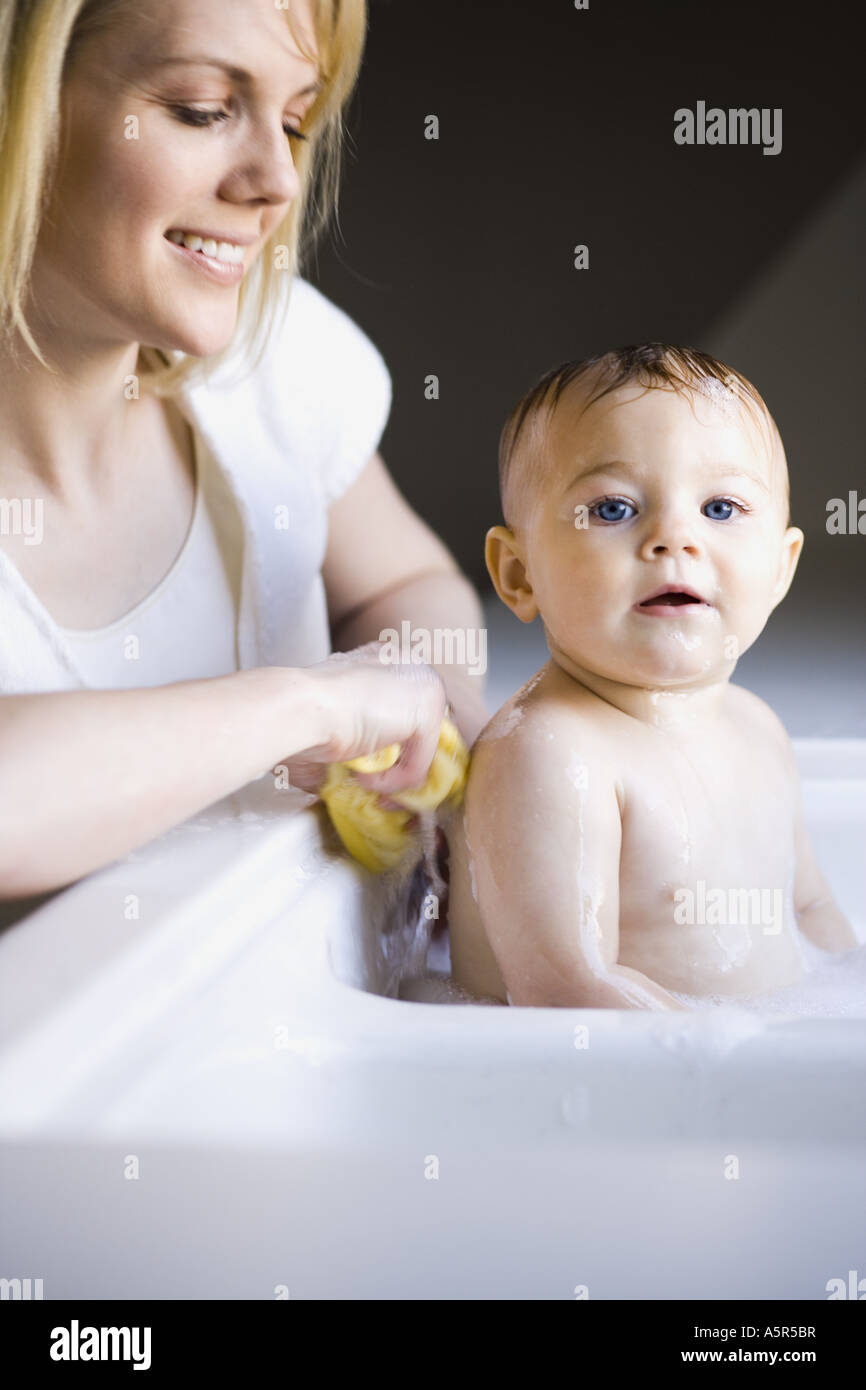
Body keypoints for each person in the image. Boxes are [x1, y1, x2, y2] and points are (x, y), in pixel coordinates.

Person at [0, 0, 488, 904]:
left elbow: (401, 586)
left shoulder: (274, 369)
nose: (277, 180)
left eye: (297, 120)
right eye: (200, 109)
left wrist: (438, 715)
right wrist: (312, 706)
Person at [444, 345, 857, 1007]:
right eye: (613, 509)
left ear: (781, 569)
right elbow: (568, 991)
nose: (674, 539)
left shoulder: (759, 729)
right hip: (608, 1096)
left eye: (720, 509)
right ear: (519, 575)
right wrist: (731, 1059)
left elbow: (811, 914)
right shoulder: (549, 756)